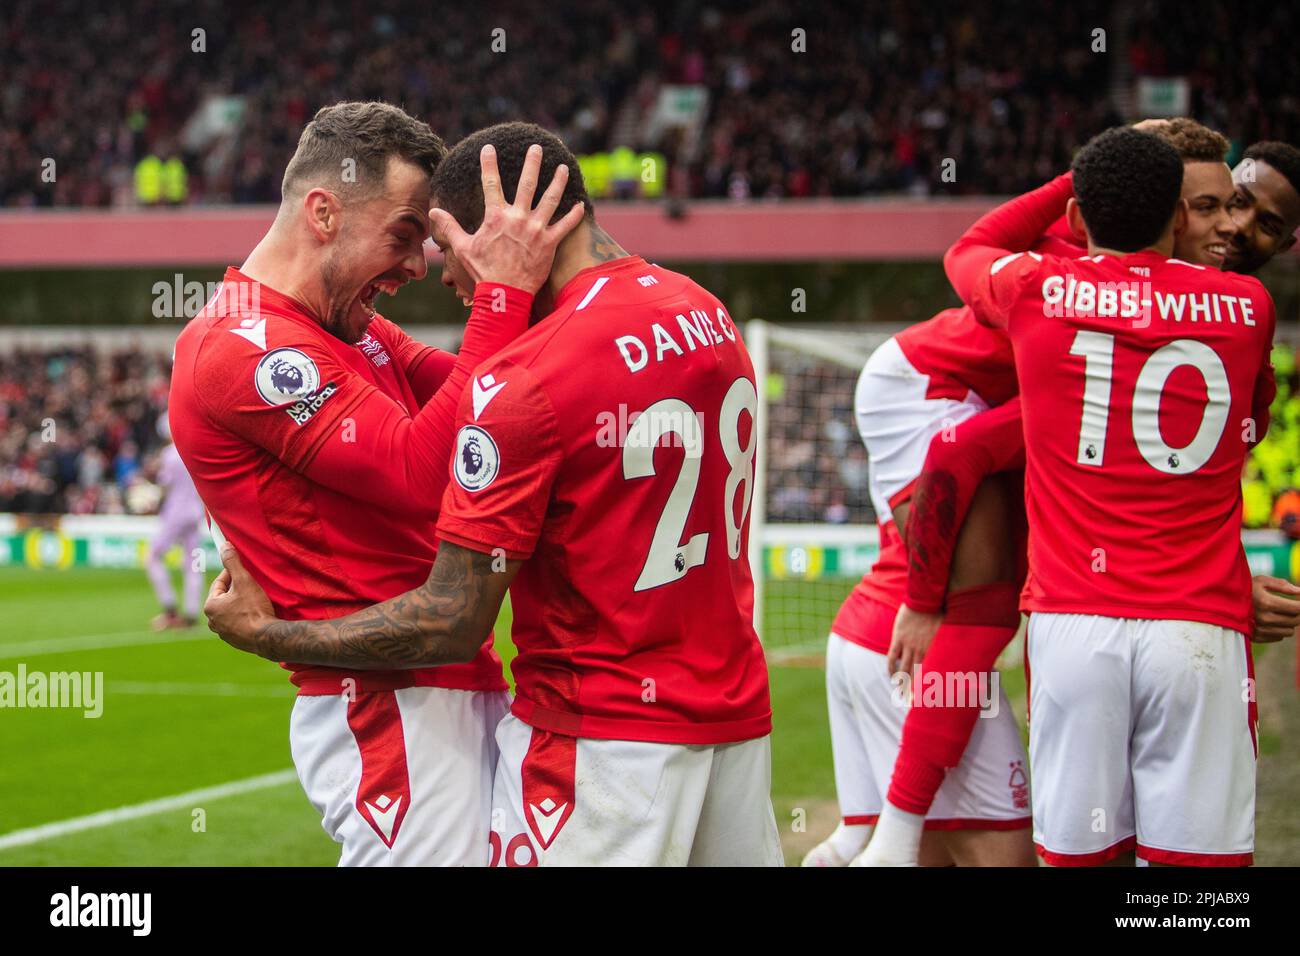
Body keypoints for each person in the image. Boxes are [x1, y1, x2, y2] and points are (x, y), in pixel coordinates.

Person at [203, 121, 783, 867]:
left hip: (601, 745)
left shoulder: (529, 378)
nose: (441, 278)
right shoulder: (706, 313)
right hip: (734, 725)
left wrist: (269, 636)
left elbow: (450, 619)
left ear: (500, 236)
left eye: (444, 249)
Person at [169, 101, 583, 866]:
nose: (417, 267)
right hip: (383, 707)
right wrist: (502, 294)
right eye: (404, 234)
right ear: (324, 212)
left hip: (448, 682)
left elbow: (483, 398)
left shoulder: (347, 328)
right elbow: (425, 472)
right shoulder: (240, 346)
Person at [952, 126, 1279, 865]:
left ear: (1078, 215)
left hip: (1074, 628)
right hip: (1196, 626)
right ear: (1178, 216)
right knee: (1197, 878)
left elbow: (969, 246)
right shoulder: (1250, 307)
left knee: (1080, 857)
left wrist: (1077, 181)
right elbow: (1248, 423)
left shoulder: (1036, 289)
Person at [145, 415, 204, 630]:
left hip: (175, 512)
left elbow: (165, 486)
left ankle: (170, 611)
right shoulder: (194, 449)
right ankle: (191, 613)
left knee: (152, 557)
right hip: (195, 511)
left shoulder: (169, 454)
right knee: (193, 563)